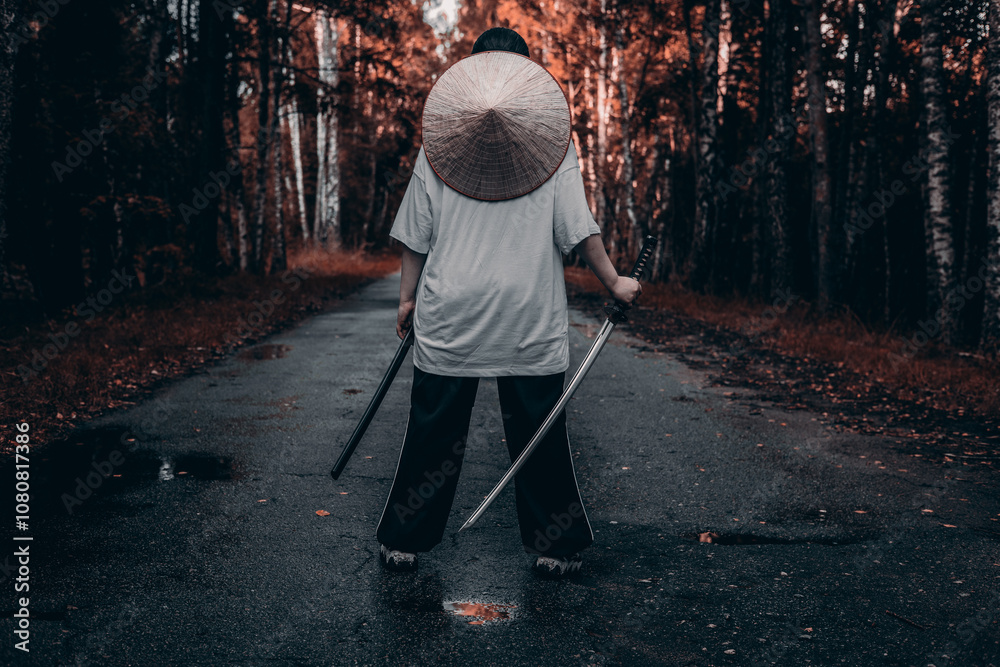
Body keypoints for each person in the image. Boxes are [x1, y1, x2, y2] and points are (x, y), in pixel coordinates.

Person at [376, 27, 641, 578]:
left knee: (432, 431)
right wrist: (615, 282)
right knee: (538, 432)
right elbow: (578, 229)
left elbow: (416, 234)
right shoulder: (556, 144)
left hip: (452, 311)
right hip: (528, 313)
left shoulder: (438, 145)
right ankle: (555, 546)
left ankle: (404, 541)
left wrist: (406, 300)